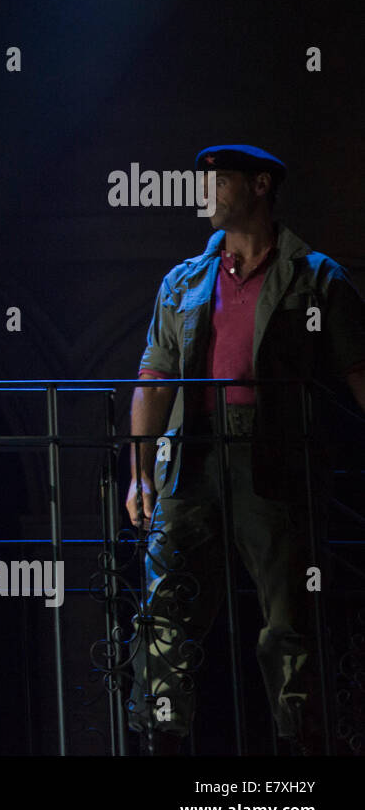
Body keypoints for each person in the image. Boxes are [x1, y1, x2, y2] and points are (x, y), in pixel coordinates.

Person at [125, 144, 365, 754]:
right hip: (192, 455)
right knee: (166, 610)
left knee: (288, 616)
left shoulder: (314, 275)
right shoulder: (183, 280)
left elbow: (359, 370)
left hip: (274, 459)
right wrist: (140, 474)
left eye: (219, 181)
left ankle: (301, 752)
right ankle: (161, 740)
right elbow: (154, 376)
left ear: (260, 186)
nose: (205, 192)